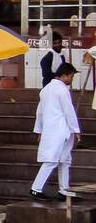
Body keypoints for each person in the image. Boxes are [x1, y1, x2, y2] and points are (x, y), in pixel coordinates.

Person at [31, 61, 80, 199]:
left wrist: (39, 129)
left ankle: (64, 189)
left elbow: (39, 112)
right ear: (64, 75)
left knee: (65, 160)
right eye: (71, 77)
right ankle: (36, 188)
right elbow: (68, 111)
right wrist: (76, 129)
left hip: (51, 129)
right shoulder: (62, 90)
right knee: (52, 160)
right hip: (60, 130)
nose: (71, 80)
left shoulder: (46, 89)